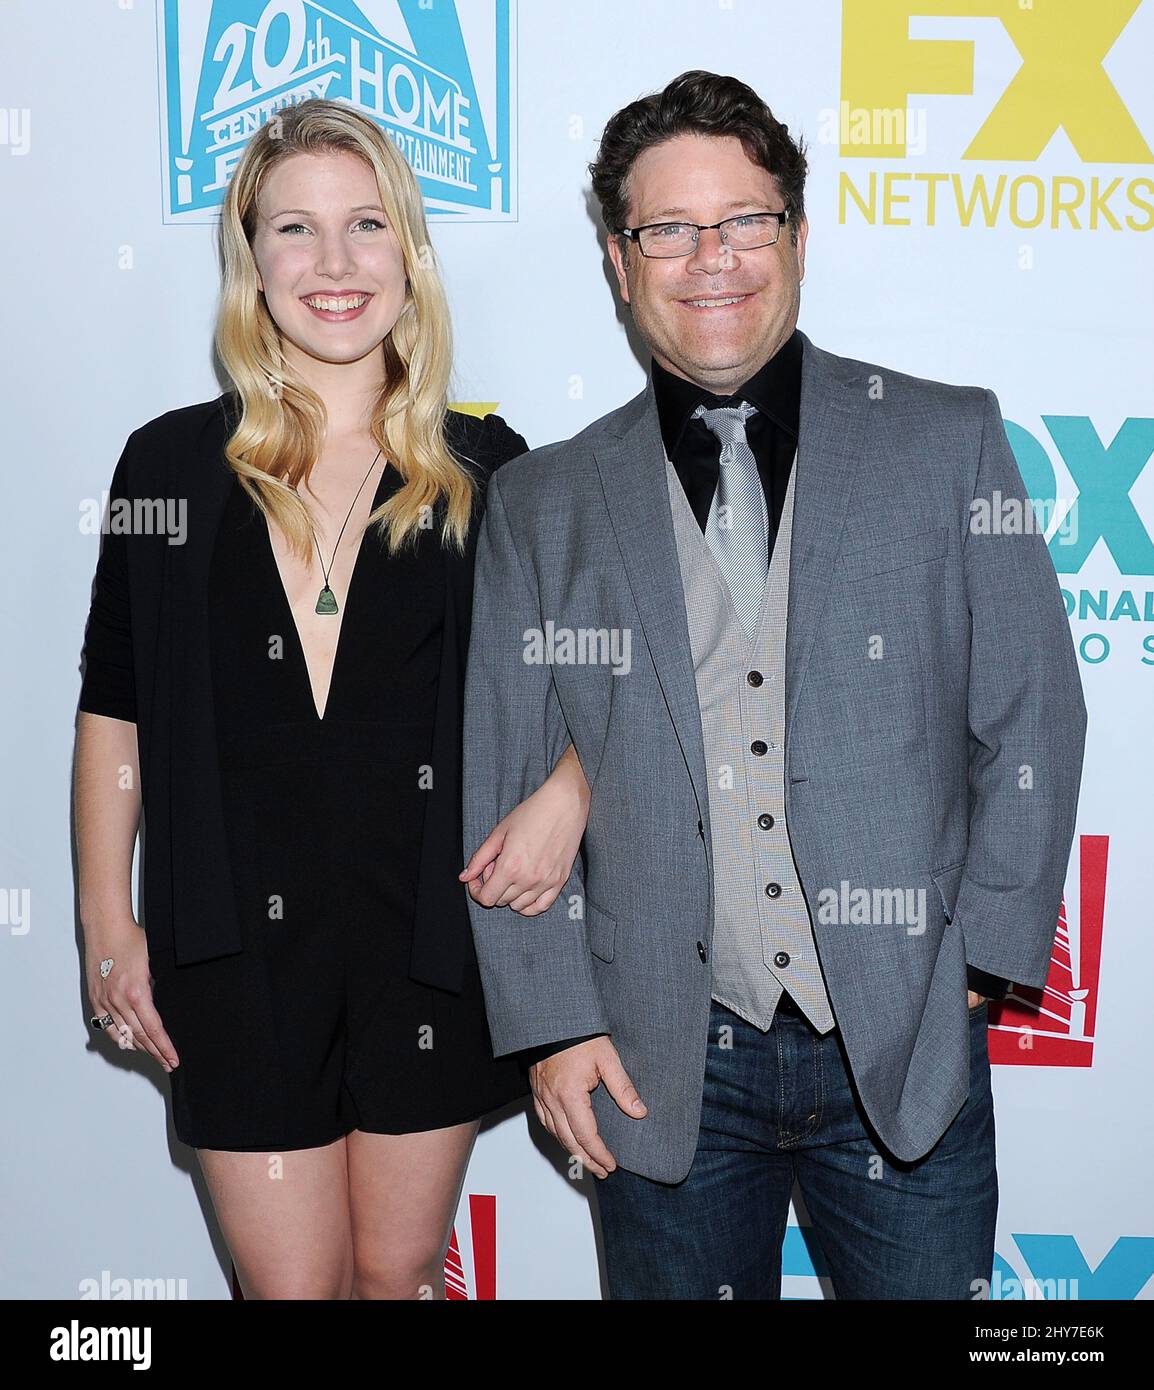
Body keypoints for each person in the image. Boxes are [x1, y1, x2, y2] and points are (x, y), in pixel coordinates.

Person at [463, 71, 1087, 1299]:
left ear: (796, 238)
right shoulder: (541, 503)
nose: (711, 259)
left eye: (745, 220)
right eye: (668, 230)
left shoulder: (945, 437)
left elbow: (1032, 709)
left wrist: (976, 961)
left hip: (903, 1048)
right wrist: (552, 1025)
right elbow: (500, 783)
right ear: (616, 258)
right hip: (658, 1058)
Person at [73, 98, 591, 1301]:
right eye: (294, 229)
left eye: (365, 226)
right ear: (251, 260)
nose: (334, 264)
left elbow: (605, 687)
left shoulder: (490, 470)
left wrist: (566, 797)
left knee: (395, 1270)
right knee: (292, 1287)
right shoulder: (166, 467)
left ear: (408, 257)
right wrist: (107, 923)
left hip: (432, 944)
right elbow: (116, 708)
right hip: (230, 952)